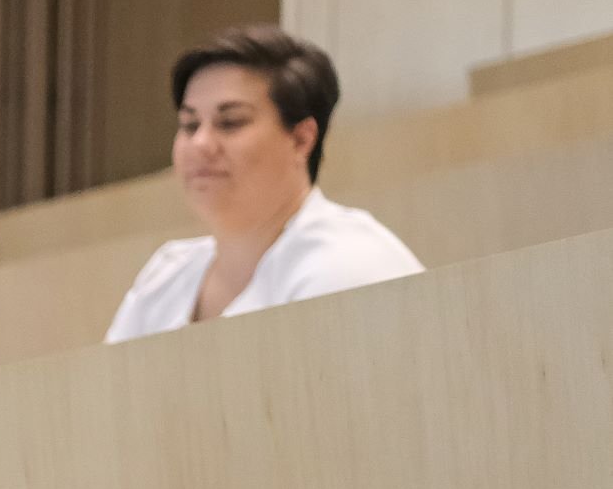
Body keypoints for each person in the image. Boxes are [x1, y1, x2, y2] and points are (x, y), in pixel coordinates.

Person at [107, 25, 422, 342]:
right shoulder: (163, 277)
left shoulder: (351, 263)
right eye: (190, 125)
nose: (201, 143)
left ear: (301, 140)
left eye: (230, 122)